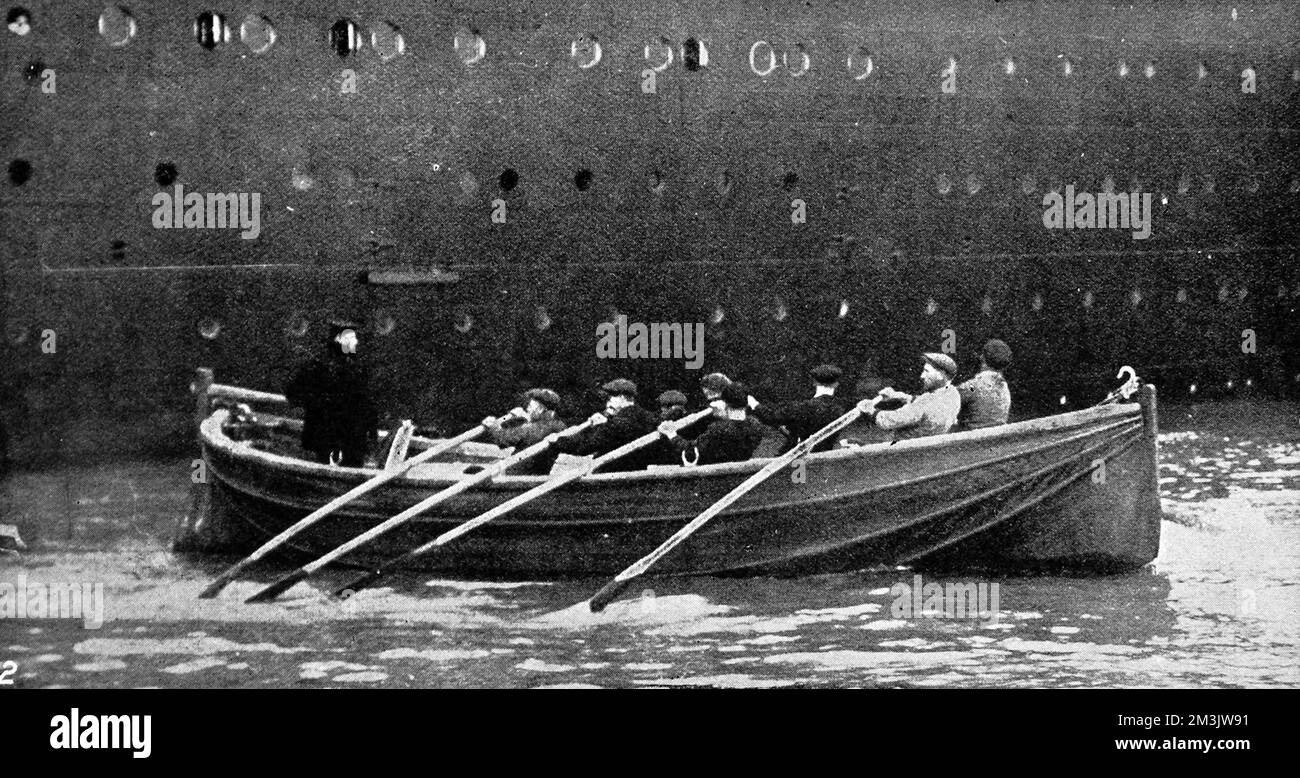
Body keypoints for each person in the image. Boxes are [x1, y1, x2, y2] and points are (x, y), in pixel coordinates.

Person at [285, 321, 378, 467]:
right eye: (351, 338)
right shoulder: (354, 370)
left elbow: (293, 394)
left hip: (334, 439)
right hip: (338, 439)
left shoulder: (317, 365)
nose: (355, 342)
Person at [550, 378, 658, 471]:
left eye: (611, 398)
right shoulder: (646, 417)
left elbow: (587, 445)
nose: (608, 403)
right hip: (640, 474)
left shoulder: (619, 423)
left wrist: (557, 441)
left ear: (623, 398)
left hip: (617, 480)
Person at [748, 364, 850, 453]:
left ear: (814, 382)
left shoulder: (804, 408)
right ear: (836, 384)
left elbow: (769, 416)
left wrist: (753, 403)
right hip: (822, 460)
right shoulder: (840, 408)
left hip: (796, 460)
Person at [858, 353, 960, 440]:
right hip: (929, 443)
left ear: (941, 375)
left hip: (904, 449)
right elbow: (924, 403)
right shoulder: (952, 394)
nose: (922, 376)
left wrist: (871, 411)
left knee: (850, 442)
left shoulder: (925, 404)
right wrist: (898, 396)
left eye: (927, 371)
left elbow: (888, 421)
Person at [658, 382, 763, 466]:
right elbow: (739, 423)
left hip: (716, 477)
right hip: (740, 471)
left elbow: (691, 452)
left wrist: (671, 434)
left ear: (724, 403)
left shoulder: (718, 429)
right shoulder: (755, 425)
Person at [481, 388, 568, 475]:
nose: (527, 409)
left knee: (478, 471)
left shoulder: (532, 429)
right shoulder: (559, 426)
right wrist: (526, 419)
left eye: (530, 407)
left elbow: (502, 438)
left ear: (540, 409)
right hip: (539, 474)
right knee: (493, 465)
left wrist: (493, 426)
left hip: (515, 475)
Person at [957, 339, 1013, 429]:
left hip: (972, 438)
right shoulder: (1003, 385)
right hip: (996, 437)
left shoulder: (974, 385)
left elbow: (951, 396)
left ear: (982, 357)